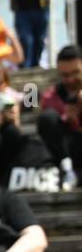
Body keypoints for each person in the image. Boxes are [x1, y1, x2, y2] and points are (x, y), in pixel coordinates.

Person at [37, 44, 82, 190]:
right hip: (67, 151)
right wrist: (66, 119)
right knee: (47, 118)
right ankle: (67, 170)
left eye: (75, 73)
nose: (70, 80)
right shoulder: (50, 96)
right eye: (64, 75)